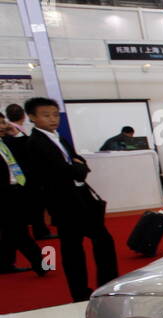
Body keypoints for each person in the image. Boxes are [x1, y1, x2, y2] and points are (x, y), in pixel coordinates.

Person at [21, 96, 118, 301]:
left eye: (55, 115)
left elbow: (79, 163)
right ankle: (81, 290)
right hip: (64, 202)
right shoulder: (36, 142)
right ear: (32, 117)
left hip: (80, 197)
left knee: (99, 241)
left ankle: (106, 284)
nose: (52, 119)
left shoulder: (58, 137)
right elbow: (65, 170)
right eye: (46, 115)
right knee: (75, 248)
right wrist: (77, 167)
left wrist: (77, 167)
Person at [0, 118, 45, 277]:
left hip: (16, 190)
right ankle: (41, 263)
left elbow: (27, 148)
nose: (3, 127)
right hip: (4, 195)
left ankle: (4, 263)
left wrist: (17, 134)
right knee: (18, 230)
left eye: (3, 123)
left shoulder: (6, 142)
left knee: (9, 231)